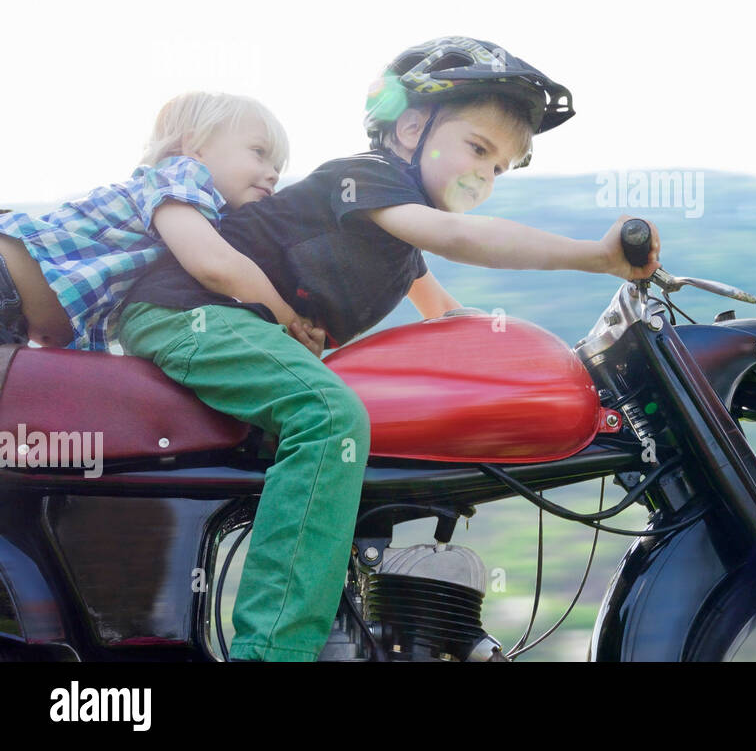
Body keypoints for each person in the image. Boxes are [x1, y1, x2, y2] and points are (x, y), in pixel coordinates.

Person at [117, 36, 660, 661]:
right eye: (477, 149)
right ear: (409, 130)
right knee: (328, 417)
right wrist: (597, 258)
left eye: (500, 169)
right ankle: (273, 651)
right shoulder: (366, 181)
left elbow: (440, 306)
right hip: (187, 312)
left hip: (223, 328)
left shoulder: (400, 241)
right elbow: (459, 235)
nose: (483, 175)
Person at [0, 91, 318, 352]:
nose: (274, 172)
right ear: (195, 147)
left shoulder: (196, 213)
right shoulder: (183, 174)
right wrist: (292, 323)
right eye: (259, 152)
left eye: (277, 164)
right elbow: (215, 265)